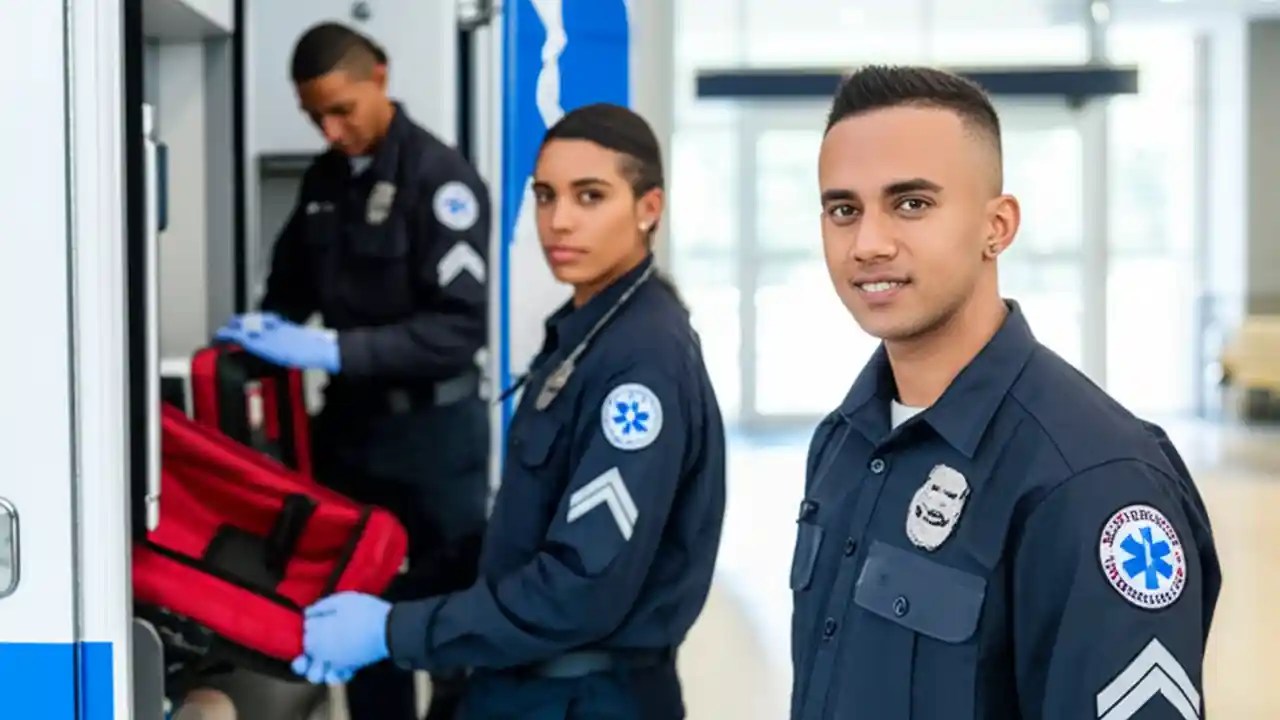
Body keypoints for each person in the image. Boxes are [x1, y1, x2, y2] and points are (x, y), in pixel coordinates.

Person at [789, 65, 1222, 719]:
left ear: (998, 226)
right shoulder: (844, 442)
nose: (868, 244)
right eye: (843, 210)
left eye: (912, 204)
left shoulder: (1091, 480)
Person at [290, 102, 728, 720]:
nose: (559, 221)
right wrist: (392, 598)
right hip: (525, 683)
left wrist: (394, 631)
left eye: (590, 196)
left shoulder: (642, 364)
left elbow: (577, 590)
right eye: (546, 196)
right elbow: (526, 534)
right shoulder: (587, 329)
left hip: (583, 697)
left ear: (648, 208)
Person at [213, 22, 490, 720]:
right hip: (352, 440)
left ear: (380, 78)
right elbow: (287, 293)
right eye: (316, 117)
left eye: (342, 110)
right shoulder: (323, 184)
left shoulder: (441, 181)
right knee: (360, 621)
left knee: (451, 627)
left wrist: (332, 349)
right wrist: (256, 334)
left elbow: (456, 332)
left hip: (434, 440)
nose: (332, 130)